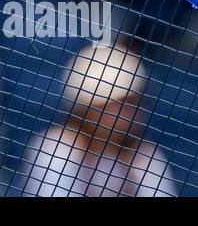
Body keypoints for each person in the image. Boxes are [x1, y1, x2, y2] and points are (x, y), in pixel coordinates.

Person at [21, 42, 176, 197]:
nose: (126, 112)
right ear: (84, 109)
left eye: (131, 102)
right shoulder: (55, 152)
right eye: (113, 104)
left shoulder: (145, 157)